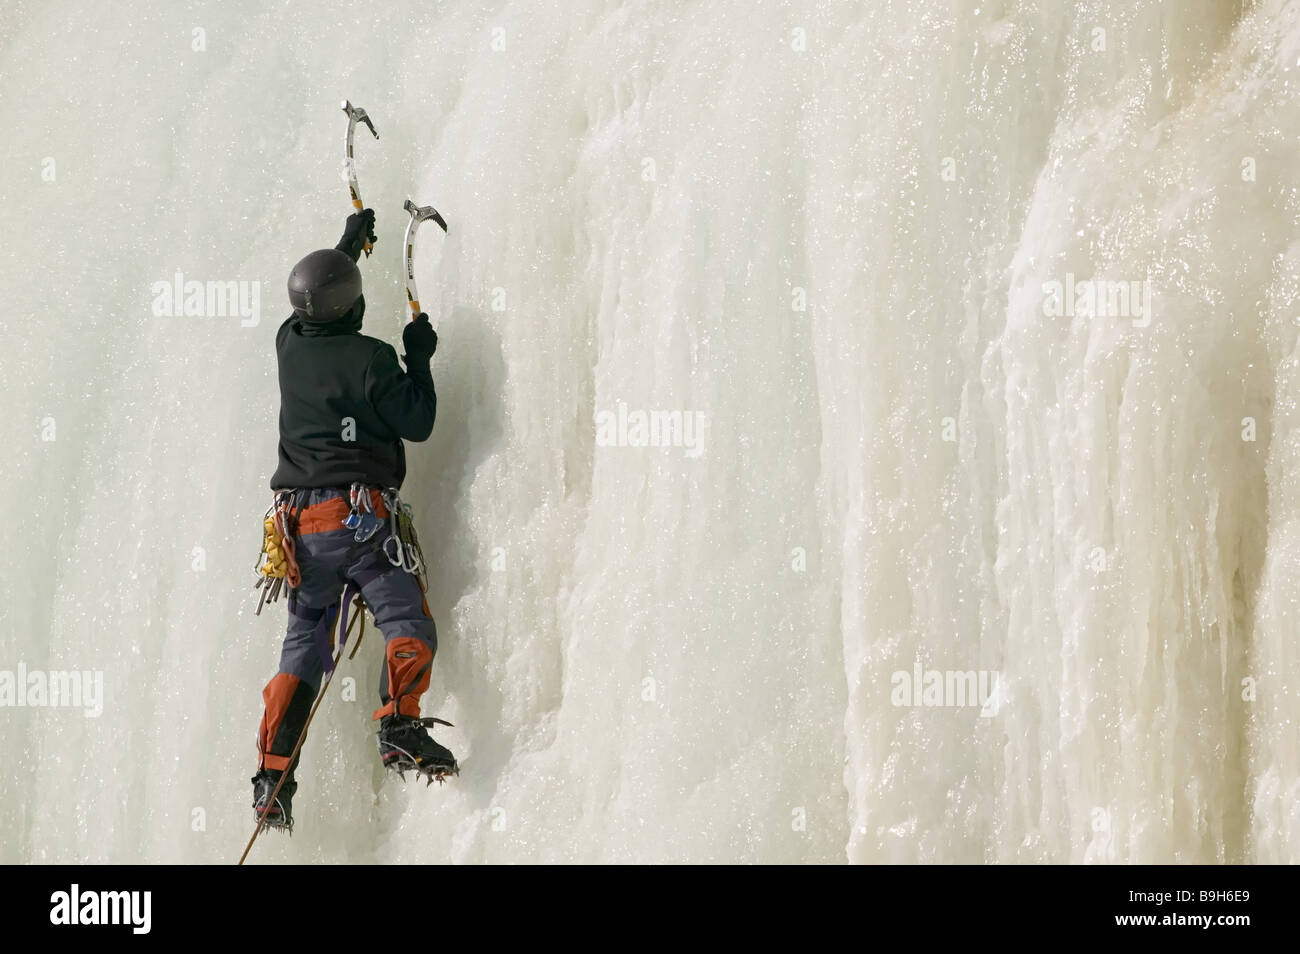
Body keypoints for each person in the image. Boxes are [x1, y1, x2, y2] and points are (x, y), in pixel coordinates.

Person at [251, 209, 456, 831]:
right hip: (364, 527)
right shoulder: (372, 359)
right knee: (404, 619)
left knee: (304, 648)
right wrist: (418, 355)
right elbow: (417, 422)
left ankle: (272, 776)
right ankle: (398, 720)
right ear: (352, 311)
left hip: (302, 531)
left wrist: (348, 246)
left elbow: (311, 306)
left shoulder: (289, 343)